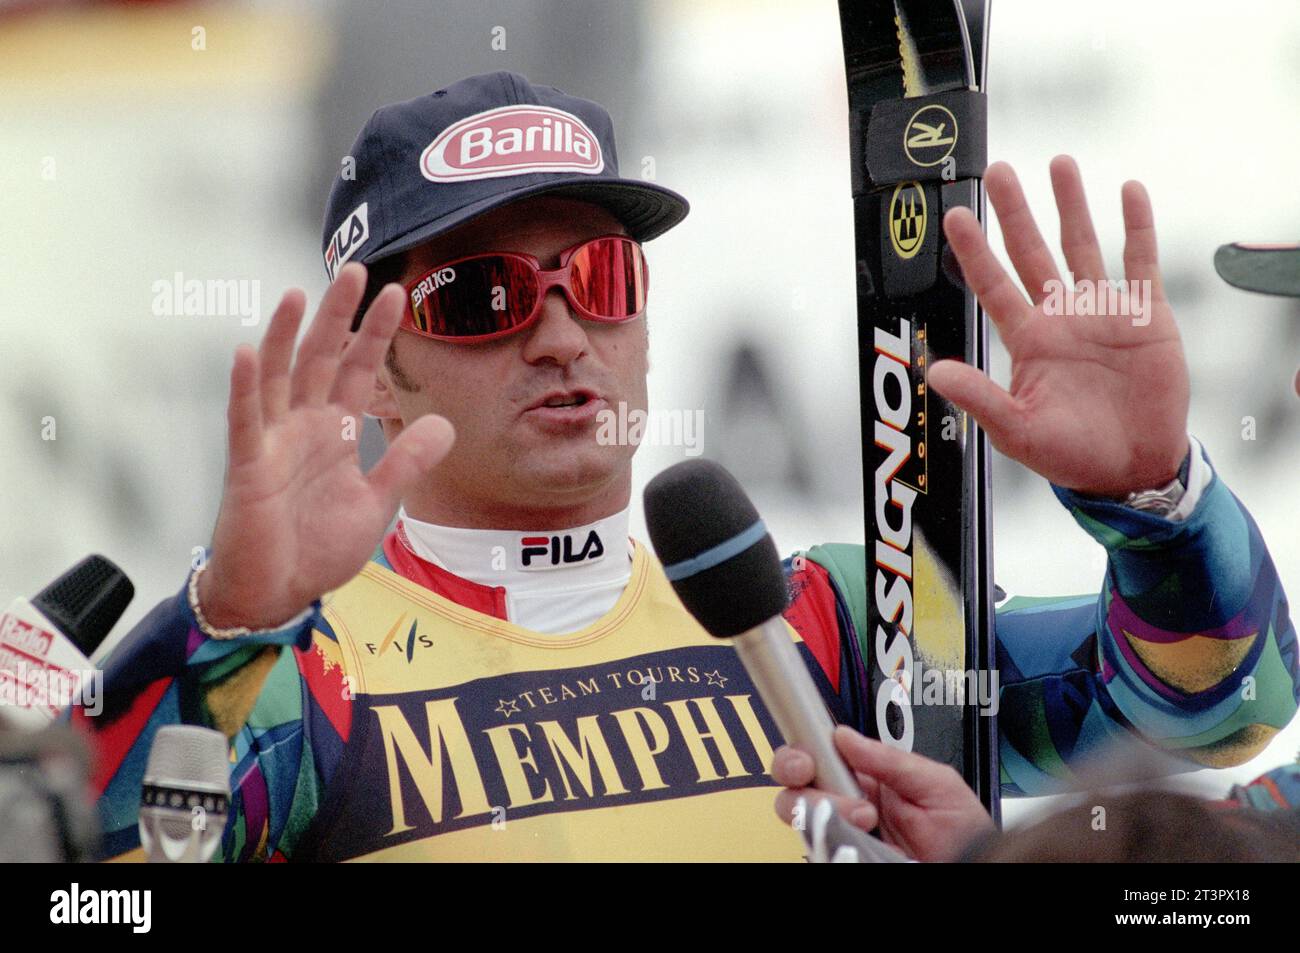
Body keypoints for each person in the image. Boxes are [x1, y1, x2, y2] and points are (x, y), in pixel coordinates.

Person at [77, 71, 1297, 862]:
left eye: (599, 279)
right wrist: (221, 626)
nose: (561, 333)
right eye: (485, 294)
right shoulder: (295, 674)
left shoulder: (827, 616)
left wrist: (1158, 501)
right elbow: (84, 881)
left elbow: (1215, 710)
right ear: (378, 363)